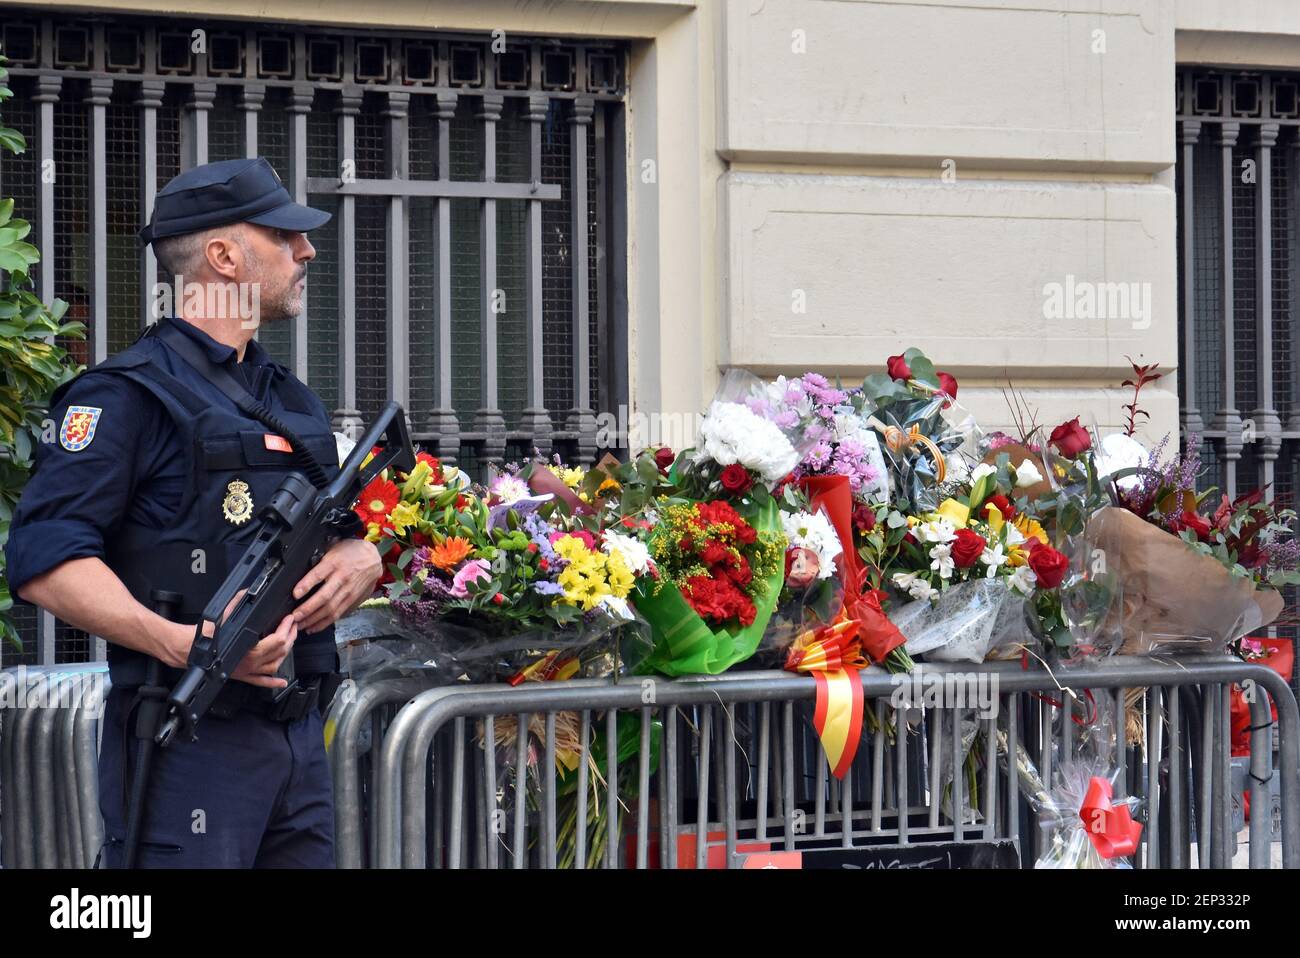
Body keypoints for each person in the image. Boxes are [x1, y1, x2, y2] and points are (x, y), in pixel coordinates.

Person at [4, 157, 381, 868]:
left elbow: (341, 535)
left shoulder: (288, 394)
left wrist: (364, 556)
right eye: (285, 237)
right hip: (188, 742)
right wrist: (185, 645)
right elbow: (45, 562)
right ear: (222, 255)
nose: (307, 251)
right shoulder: (125, 396)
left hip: (297, 742)